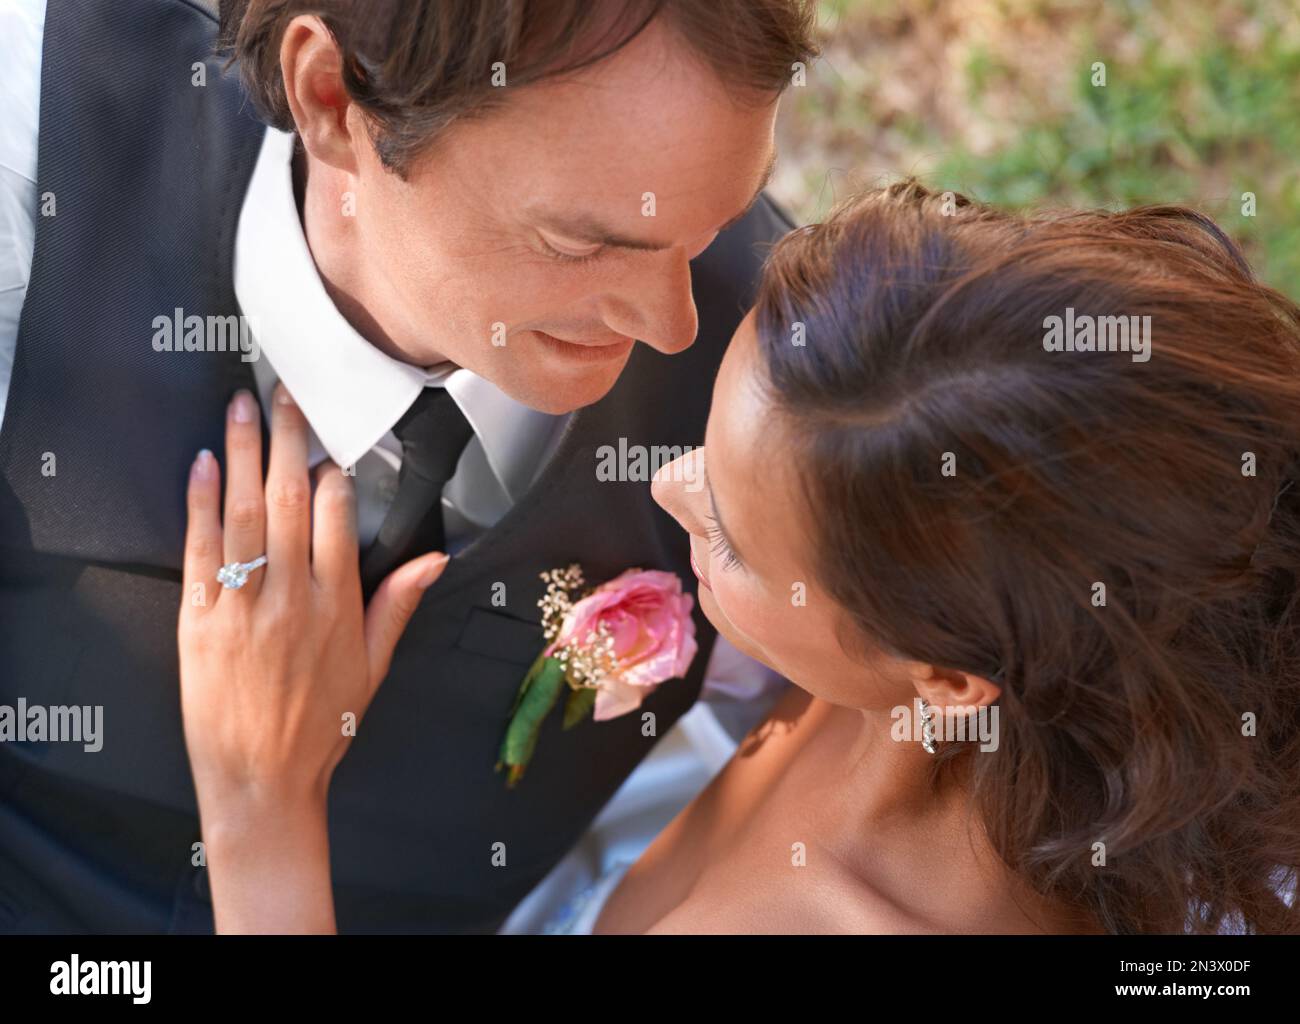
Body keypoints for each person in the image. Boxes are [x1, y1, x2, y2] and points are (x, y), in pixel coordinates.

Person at [181, 181, 1300, 934]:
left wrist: (258, 810)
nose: (668, 492)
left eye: (733, 533)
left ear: (950, 675)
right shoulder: (992, 607)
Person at [0, 0, 817, 933]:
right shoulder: (37, 137)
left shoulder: (779, 387)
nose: (673, 327)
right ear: (332, 98)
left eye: (711, 227)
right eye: (580, 243)